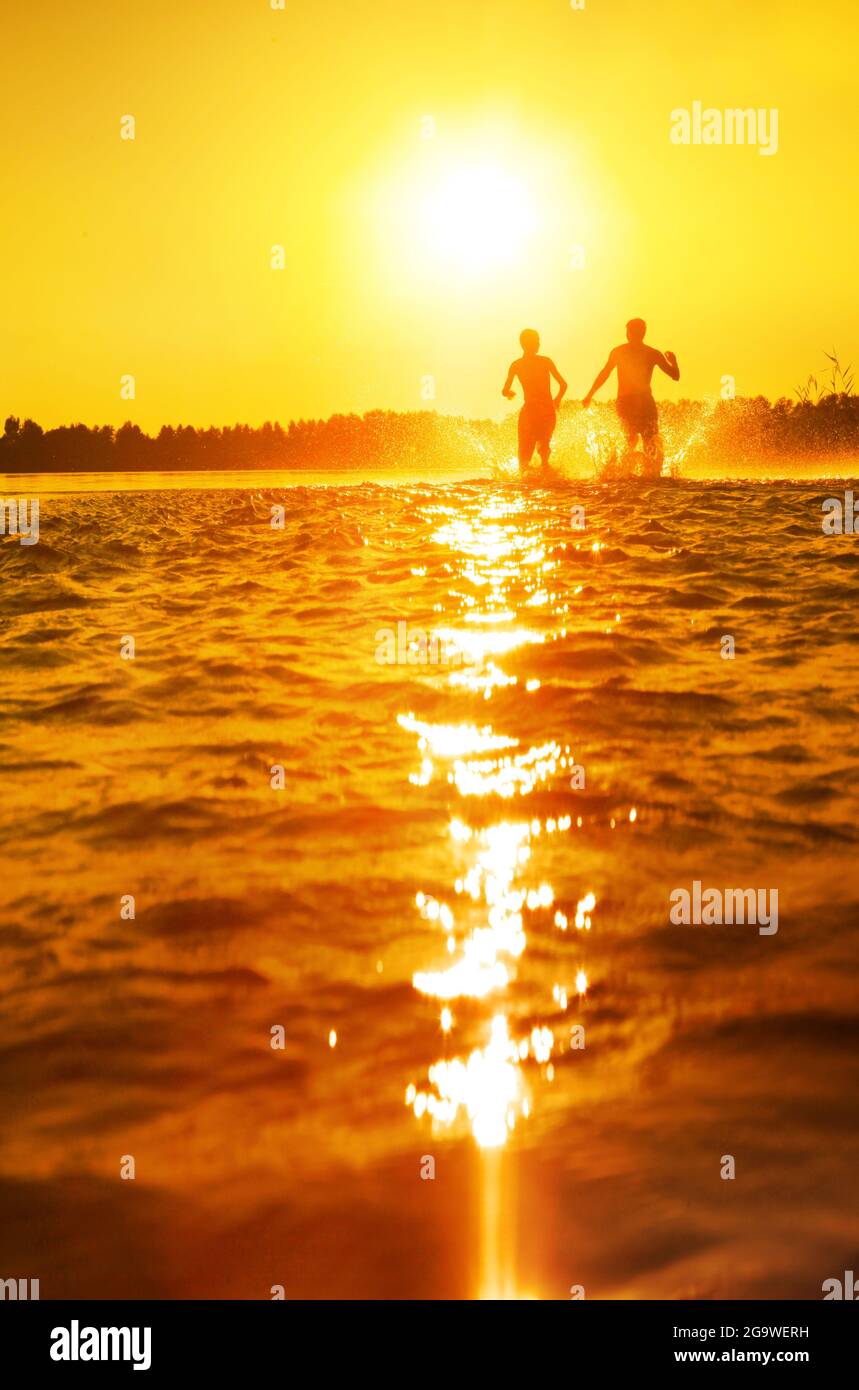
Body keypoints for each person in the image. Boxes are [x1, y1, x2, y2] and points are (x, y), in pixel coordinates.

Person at [582, 319, 679, 471]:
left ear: (629, 333)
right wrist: (674, 361)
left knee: (634, 440)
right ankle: (648, 472)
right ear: (643, 333)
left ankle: (628, 472)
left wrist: (590, 394)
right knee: (647, 440)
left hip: (629, 401)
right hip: (641, 402)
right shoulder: (651, 353)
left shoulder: (620, 351)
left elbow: (604, 373)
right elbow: (675, 375)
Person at [502, 329, 567, 470]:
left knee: (527, 454)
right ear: (525, 344)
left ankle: (529, 478)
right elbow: (563, 385)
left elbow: (504, 390)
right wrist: (556, 400)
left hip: (535, 411)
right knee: (542, 450)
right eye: (536, 341)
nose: (539, 343)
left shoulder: (517, 364)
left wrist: (509, 393)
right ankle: (543, 475)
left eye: (538, 340)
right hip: (545, 411)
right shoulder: (543, 362)